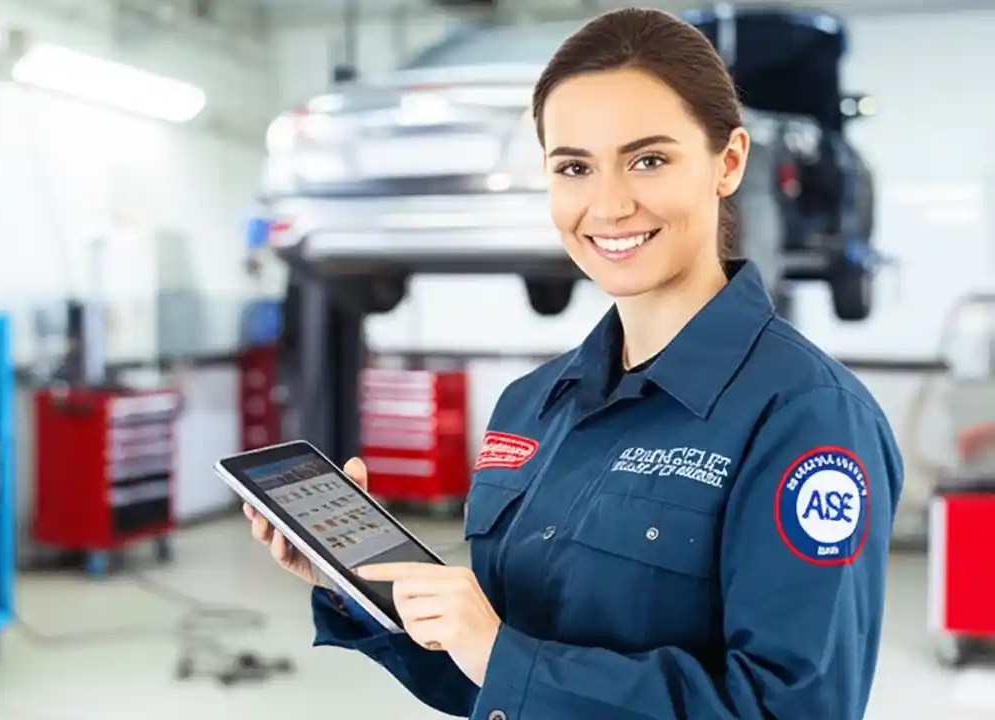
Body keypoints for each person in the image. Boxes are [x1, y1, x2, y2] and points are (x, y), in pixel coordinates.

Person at [243, 7, 903, 719]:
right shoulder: (533, 405)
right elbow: (488, 680)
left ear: (728, 161)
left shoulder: (807, 417)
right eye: (574, 168)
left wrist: (504, 656)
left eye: (648, 160)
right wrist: (362, 586)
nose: (609, 205)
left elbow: (789, 710)